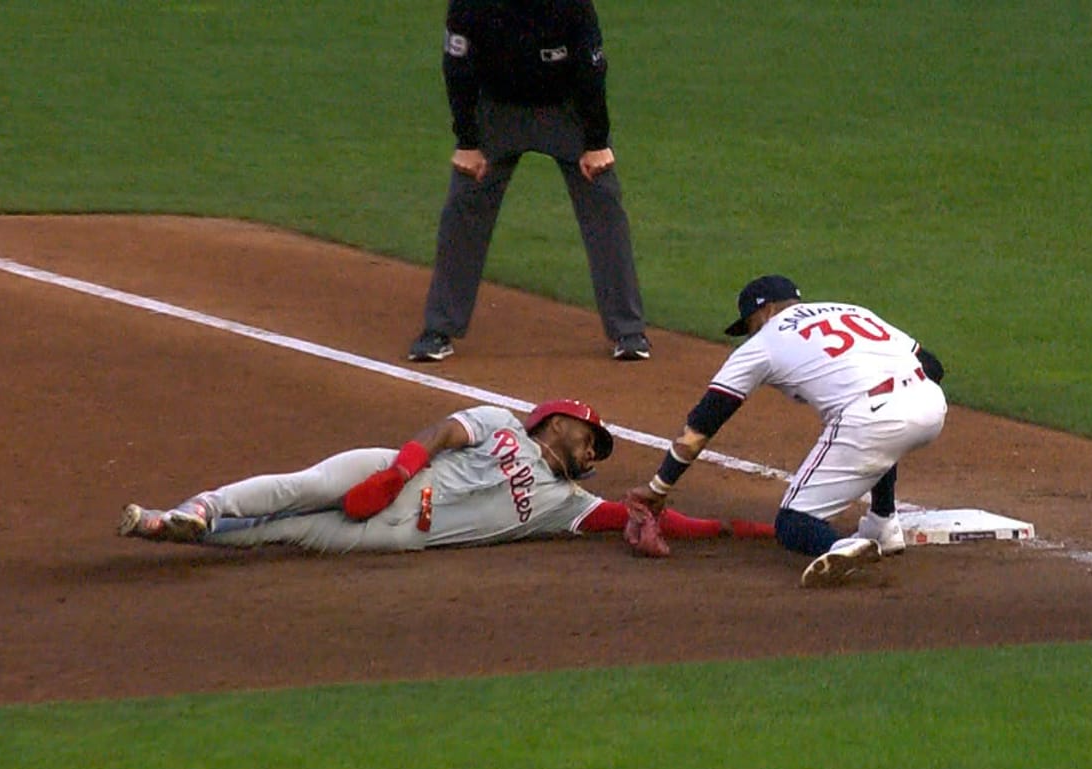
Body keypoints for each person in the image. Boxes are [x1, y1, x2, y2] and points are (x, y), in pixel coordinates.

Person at [625, 275, 948, 588]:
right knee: (877, 440)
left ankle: (840, 548)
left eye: (749, 326)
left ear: (764, 312)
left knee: (793, 525)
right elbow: (933, 365)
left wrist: (659, 486)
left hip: (871, 419)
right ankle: (882, 523)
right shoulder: (851, 311)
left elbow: (705, 420)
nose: (751, 334)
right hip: (931, 404)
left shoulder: (764, 342)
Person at [119, 400, 769, 552]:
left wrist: (731, 529)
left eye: (598, 448)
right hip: (398, 474)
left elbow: (633, 514)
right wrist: (401, 469)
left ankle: (181, 531)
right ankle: (201, 506)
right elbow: (441, 435)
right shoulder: (503, 422)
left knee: (284, 534)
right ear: (554, 422)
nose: (594, 452)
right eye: (588, 437)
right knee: (300, 487)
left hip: (406, 533)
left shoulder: (565, 503)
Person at [408, 0, 651, 364]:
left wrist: (597, 142)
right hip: (497, 112)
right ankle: (438, 328)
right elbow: (457, 67)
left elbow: (591, 68)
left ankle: (629, 332)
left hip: (567, 111)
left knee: (604, 206)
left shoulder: (571, 5)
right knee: (463, 209)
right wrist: (468, 142)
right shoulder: (469, 5)